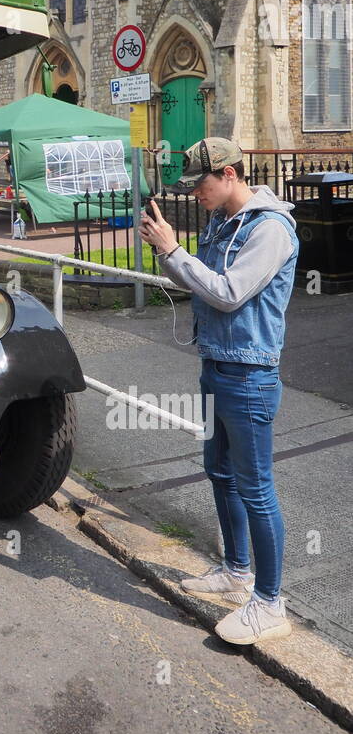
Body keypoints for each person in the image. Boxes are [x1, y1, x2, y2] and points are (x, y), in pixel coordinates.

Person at [139, 137, 299, 647]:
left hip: (249, 375)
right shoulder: (220, 223)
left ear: (229, 174)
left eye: (201, 184)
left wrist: (172, 249)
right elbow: (201, 282)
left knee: (255, 488)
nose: (195, 193)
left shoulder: (269, 229)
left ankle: (270, 603)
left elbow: (229, 294)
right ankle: (236, 572)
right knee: (220, 472)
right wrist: (166, 252)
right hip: (216, 365)